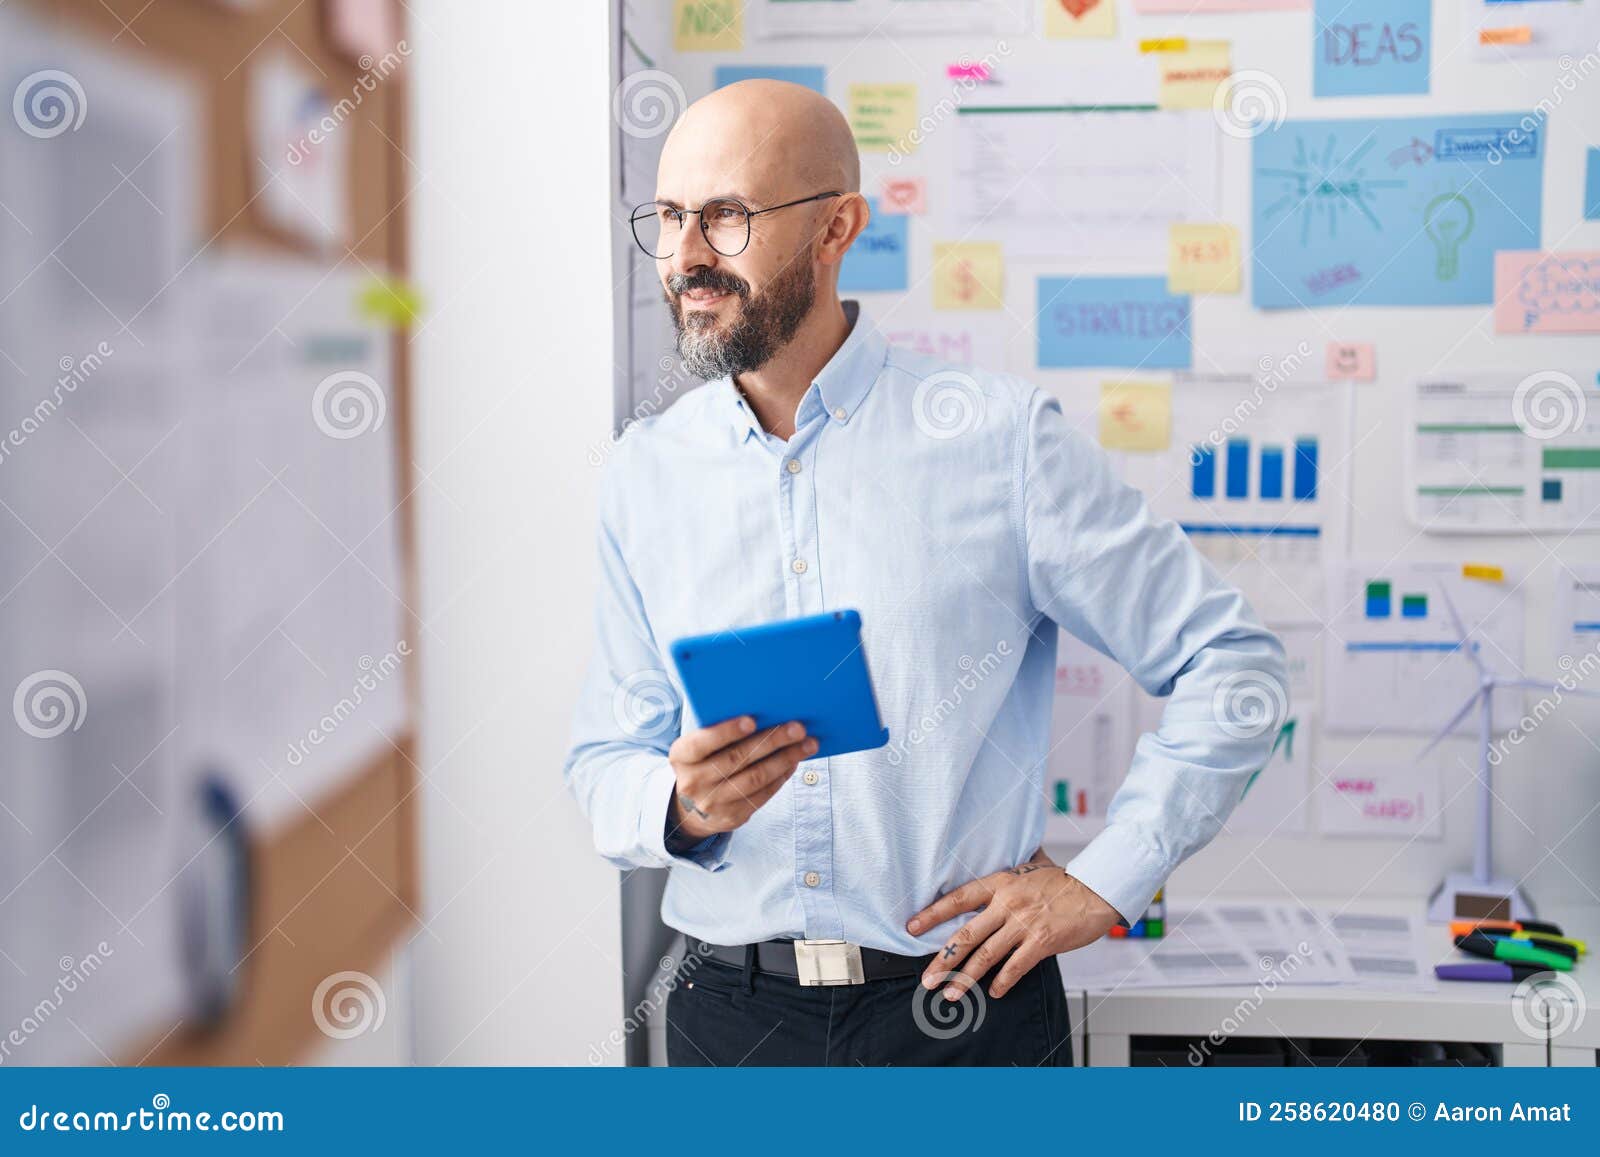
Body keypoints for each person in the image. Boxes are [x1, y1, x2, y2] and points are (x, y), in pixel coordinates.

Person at [565, 80, 1287, 1066]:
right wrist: (677, 806)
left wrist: (1110, 879)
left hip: (962, 1014)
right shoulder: (644, 472)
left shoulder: (999, 443)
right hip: (723, 1018)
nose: (687, 254)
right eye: (672, 217)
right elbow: (605, 756)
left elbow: (1232, 662)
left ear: (836, 228)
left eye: (727, 217)